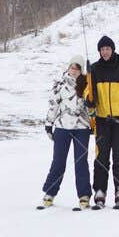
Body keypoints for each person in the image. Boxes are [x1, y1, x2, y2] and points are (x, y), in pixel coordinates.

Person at [87, 35, 119, 209]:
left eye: (107, 49)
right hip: (102, 121)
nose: (105, 52)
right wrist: (89, 100)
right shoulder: (94, 69)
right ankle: (100, 191)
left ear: (113, 49)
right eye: (102, 49)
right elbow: (88, 91)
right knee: (101, 157)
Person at [42, 57, 94, 208]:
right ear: (68, 68)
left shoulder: (87, 85)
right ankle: (50, 193)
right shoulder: (60, 85)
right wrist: (49, 124)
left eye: (77, 68)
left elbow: (92, 107)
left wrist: (93, 121)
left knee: (81, 163)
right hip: (62, 128)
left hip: (81, 129)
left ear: (81, 70)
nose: (74, 71)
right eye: (72, 67)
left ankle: (84, 196)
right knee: (58, 161)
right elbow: (53, 105)